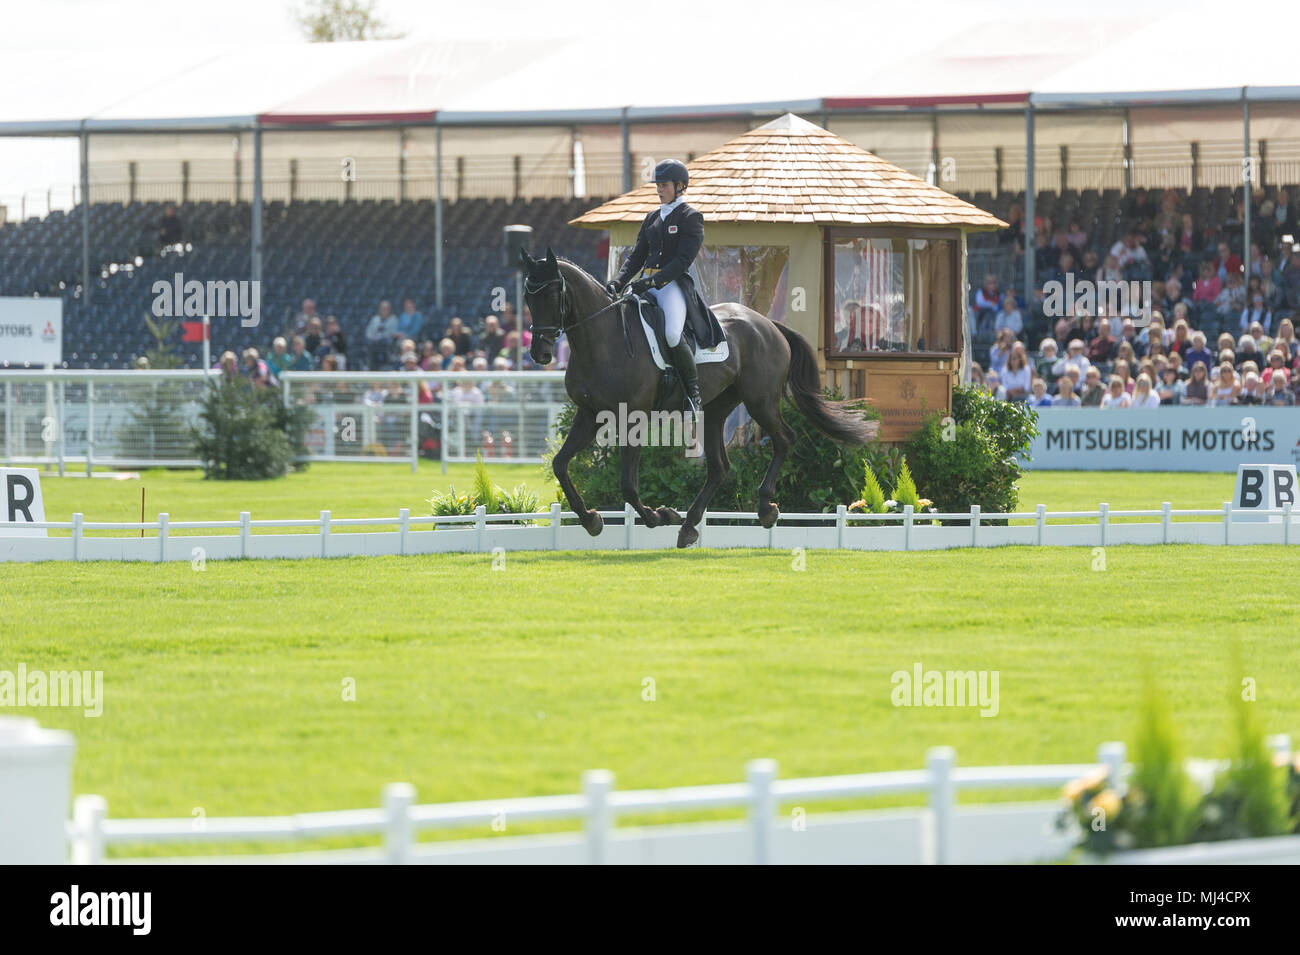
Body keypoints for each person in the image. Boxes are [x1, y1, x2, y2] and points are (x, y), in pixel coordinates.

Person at [606, 158, 715, 415]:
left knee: (672, 334)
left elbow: (682, 261)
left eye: (664, 185)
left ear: (679, 186)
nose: (659, 189)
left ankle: (693, 394)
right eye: (658, 184)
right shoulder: (652, 217)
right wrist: (618, 281)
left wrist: (651, 282)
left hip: (672, 286)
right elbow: (636, 256)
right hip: (644, 284)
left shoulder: (691, 217)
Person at [365, 300, 400, 370]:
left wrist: (382, 336)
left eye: (386, 309)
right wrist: (373, 337)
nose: (384, 310)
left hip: (387, 344)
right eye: (383, 309)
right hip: (374, 343)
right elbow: (368, 333)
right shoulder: (375, 319)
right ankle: (372, 367)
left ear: (389, 310)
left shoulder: (393, 320)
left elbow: (393, 333)